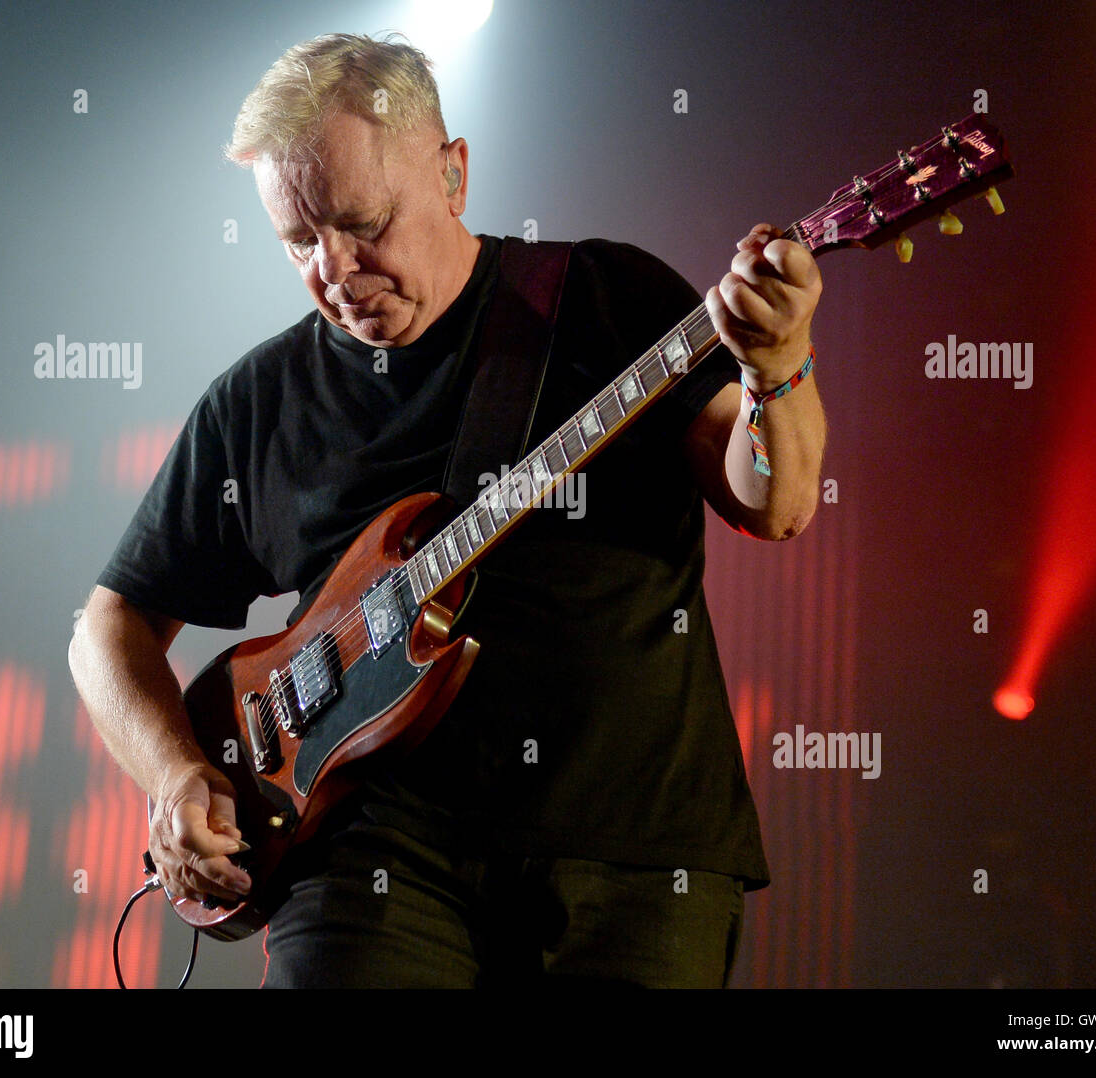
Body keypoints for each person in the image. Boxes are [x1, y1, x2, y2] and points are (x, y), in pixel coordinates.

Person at [68, 32, 825, 988]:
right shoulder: (256, 402)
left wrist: (779, 365)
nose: (334, 269)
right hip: (367, 864)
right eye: (299, 241)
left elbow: (777, 501)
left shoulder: (603, 298)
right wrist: (174, 772)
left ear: (453, 174)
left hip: (632, 855)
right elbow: (106, 627)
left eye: (363, 221)